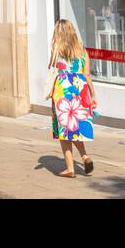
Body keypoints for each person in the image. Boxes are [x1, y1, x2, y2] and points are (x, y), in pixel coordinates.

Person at [47, 19, 97, 178]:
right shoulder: (82, 50)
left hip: (63, 89)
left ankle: (70, 169)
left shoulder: (57, 49)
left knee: (64, 131)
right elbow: (87, 74)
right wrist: (93, 95)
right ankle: (84, 156)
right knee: (75, 127)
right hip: (80, 88)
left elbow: (52, 68)